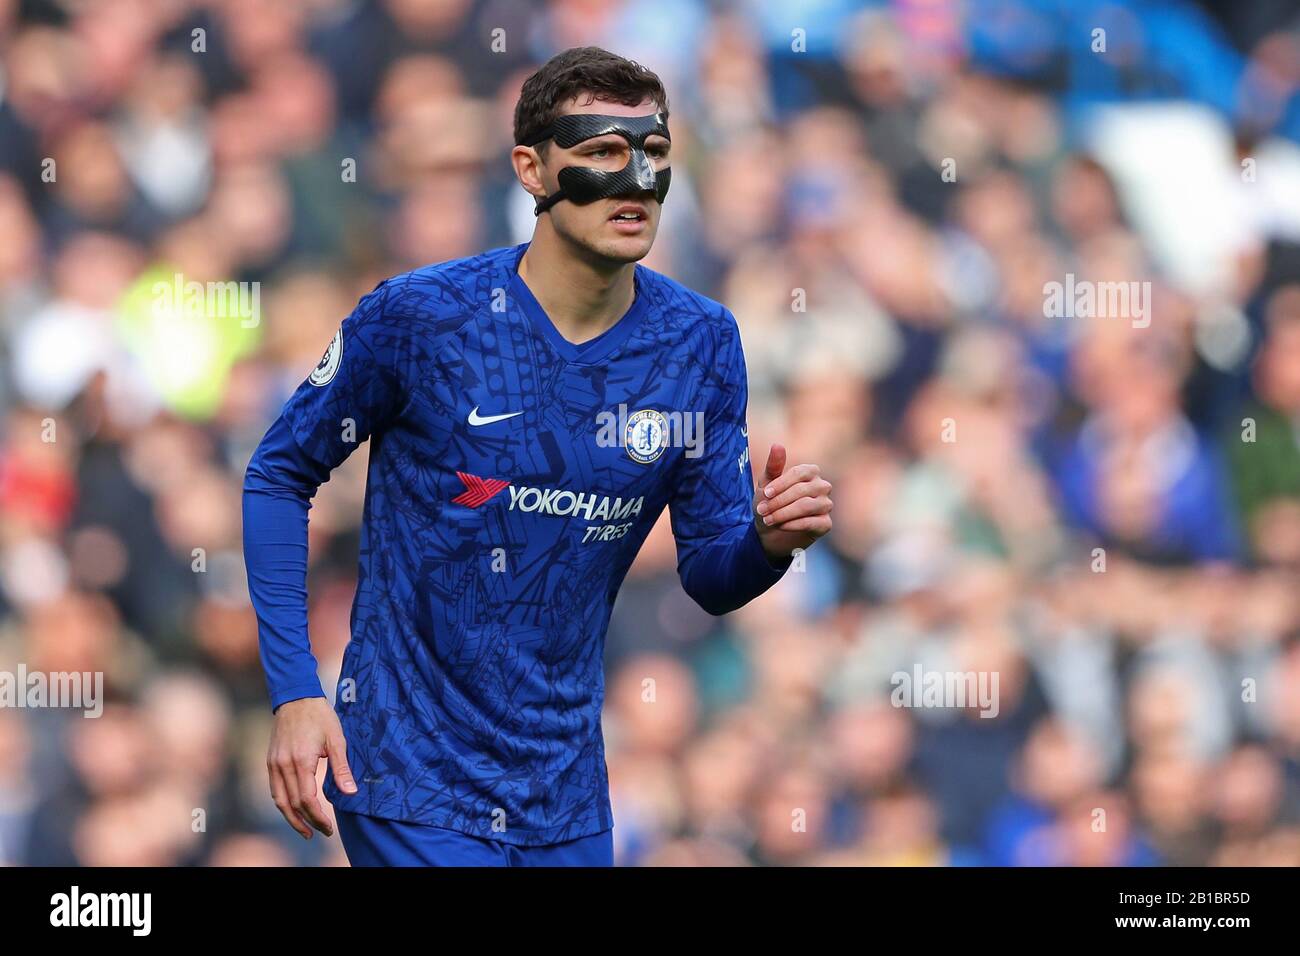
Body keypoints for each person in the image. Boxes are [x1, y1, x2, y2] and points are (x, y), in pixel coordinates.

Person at [241, 46, 833, 867]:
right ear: (530, 168)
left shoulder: (700, 343)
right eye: (599, 153)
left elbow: (709, 572)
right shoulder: (422, 317)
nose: (634, 181)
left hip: (566, 798)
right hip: (409, 777)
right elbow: (278, 473)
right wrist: (297, 690)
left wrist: (769, 543)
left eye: (653, 153)